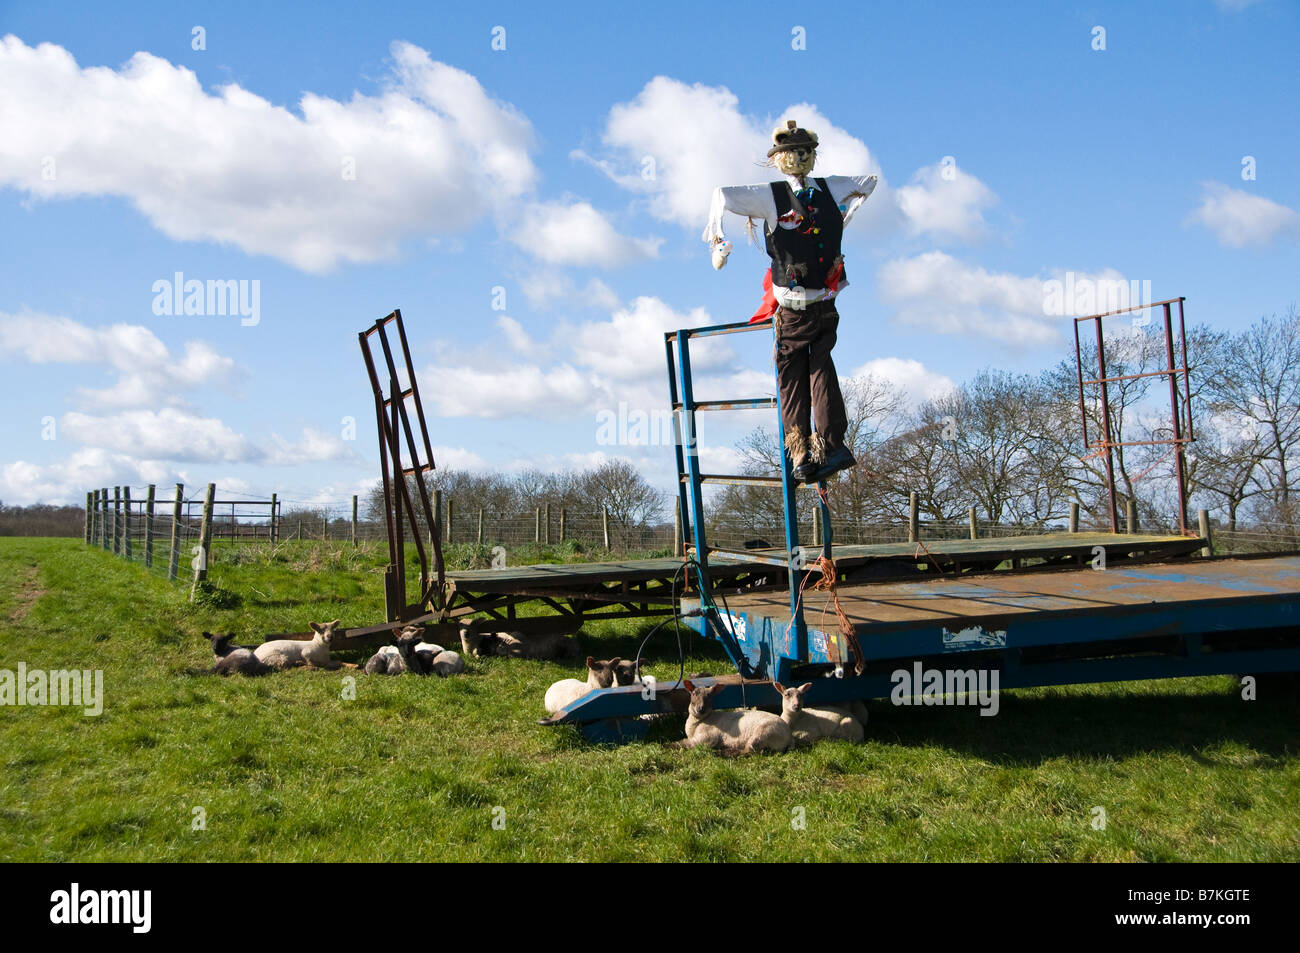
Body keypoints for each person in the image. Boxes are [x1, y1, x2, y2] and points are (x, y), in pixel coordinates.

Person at [703, 120, 877, 483]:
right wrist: (844, 215)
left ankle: (802, 454)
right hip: (826, 302)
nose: (798, 157)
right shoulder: (830, 189)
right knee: (821, 368)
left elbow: (722, 194)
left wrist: (717, 240)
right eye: (794, 152)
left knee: (792, 378)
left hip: (796, 309)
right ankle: (831, 446)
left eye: (802, 152)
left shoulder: (772, 195)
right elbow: (867, 184)